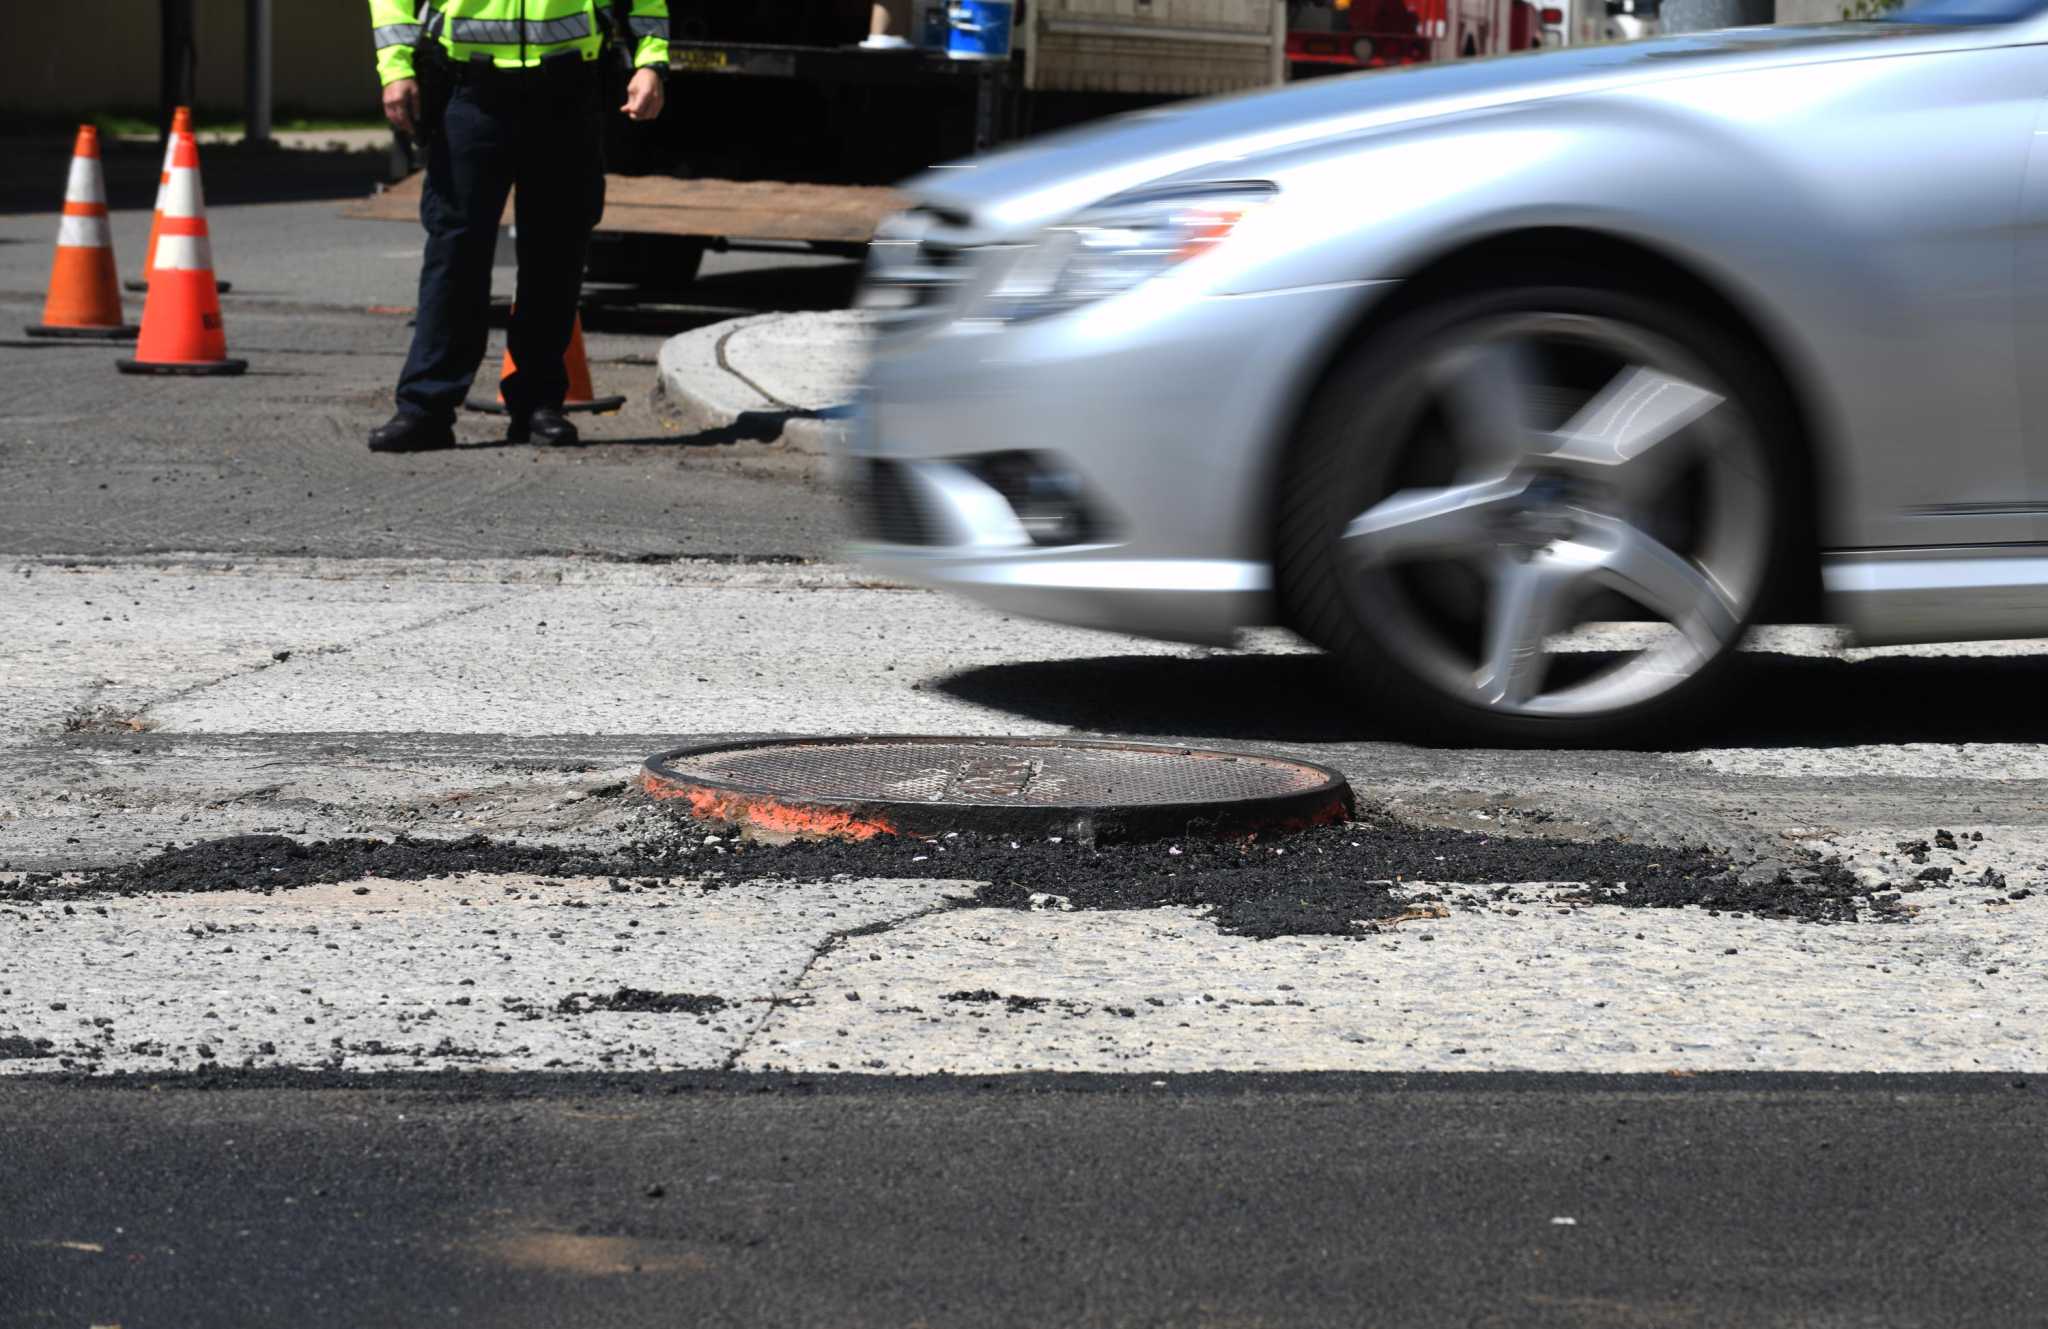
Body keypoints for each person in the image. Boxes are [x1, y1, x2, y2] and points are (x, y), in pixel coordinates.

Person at [365, 1, 670, 452]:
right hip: (469, 87)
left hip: (568, 90)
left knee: (556, 254)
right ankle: (425, 408)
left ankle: (537, 406)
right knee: (455, 254)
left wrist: (651, 62)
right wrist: (395, 68)